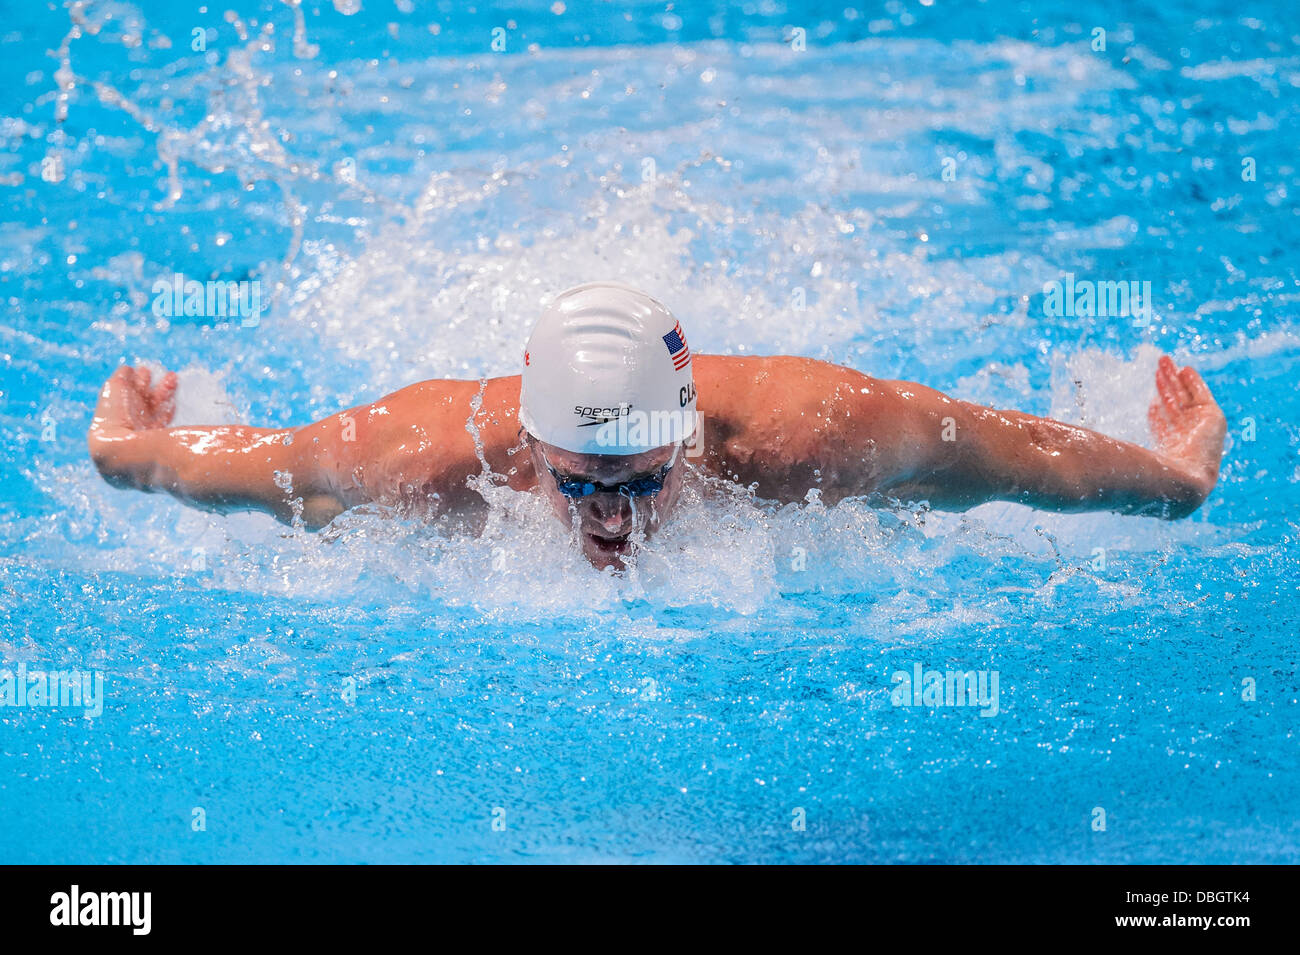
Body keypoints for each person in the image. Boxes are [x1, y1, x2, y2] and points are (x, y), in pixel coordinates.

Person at [87, 282, 1227, 569]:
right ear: (529, 448)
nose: (615, 516)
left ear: (687, 439)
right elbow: (247, 466)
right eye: (580, 482)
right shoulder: (423, 454)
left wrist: (1175, 479)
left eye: (639, 475)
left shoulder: (813, 433)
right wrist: (124, 450)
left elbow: (1027, 460)